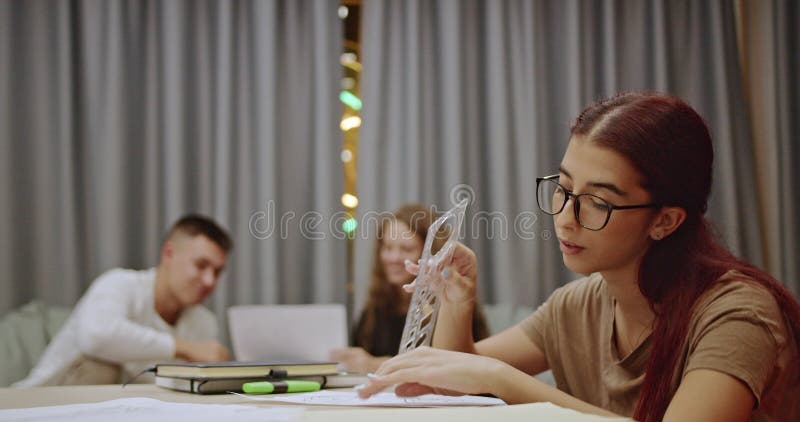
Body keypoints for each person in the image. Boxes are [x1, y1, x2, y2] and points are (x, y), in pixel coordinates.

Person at [357, 93, 800, 421]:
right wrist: (456, 301)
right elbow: (459, 375)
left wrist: (503, 381)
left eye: (599, 202)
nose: (566, 217)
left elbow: (488, 375)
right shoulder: (579, 304)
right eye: (563, 189)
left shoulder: (737, 314)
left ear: (664, 220)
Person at [14, 214, 234, 387]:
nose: (209, 280)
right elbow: (97, 336)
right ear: (168, 253)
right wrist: (184, 348)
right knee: (101, 367)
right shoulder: (120, 284)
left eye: (217, 272)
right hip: (41, 401)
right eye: (201, 265)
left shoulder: (204, 322)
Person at [330, 203, 490, 373]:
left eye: (406, 249)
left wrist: (376, 365)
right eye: (387, 247)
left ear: (431, 253)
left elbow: (457, 367)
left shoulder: (452, 304)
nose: (394, 258)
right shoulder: (376, 308)